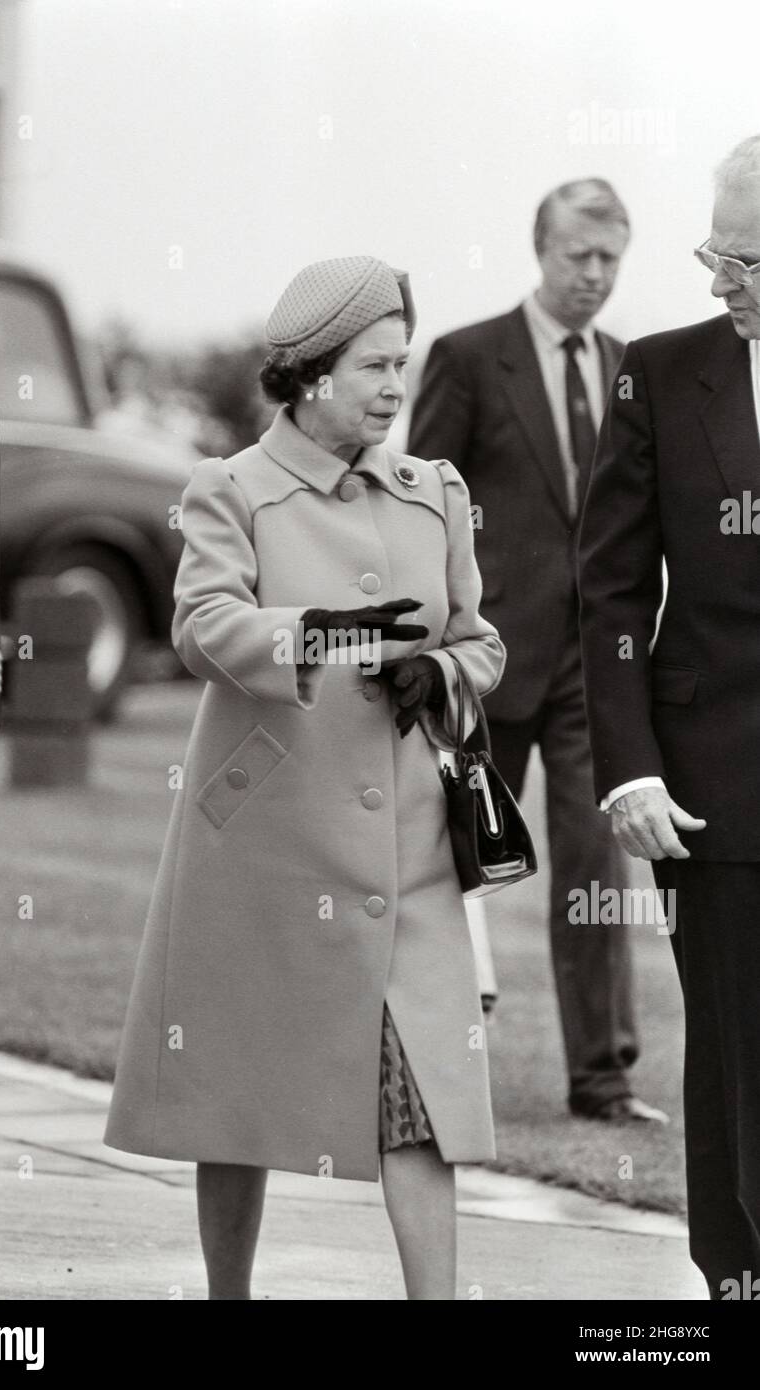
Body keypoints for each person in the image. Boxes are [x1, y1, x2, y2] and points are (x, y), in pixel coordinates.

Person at [104, 255, 506, 1300]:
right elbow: (203, 628)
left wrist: (442, 671)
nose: (392, 386)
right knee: (232, 1096)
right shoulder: (229, 490)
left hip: (409, 849)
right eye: (372, 365)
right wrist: (327, 636)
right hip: (264, 854)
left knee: (425, 1098)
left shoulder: (435, 495)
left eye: (401, 363)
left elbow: (482, 643)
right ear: (312, 373)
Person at [408, 179, 667, 1125]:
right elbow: (422, 505)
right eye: (577, 256)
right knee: (447, 863)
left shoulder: (632, 365)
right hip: (482, 659)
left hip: (591, 669)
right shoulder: (468, 358)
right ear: (541, 250)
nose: (594, 276)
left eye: (609, 258)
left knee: (597, 868)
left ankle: (602, 1080)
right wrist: (436, 650)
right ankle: (426, 1064)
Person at [578, 135, 760, 1298]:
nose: (716, 279)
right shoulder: (660, 370)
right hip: (710, 786)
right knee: (735, 1057)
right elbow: (608, 586)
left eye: (738, 254)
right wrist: (631, 770)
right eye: (712, 247)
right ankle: (735, 1278)